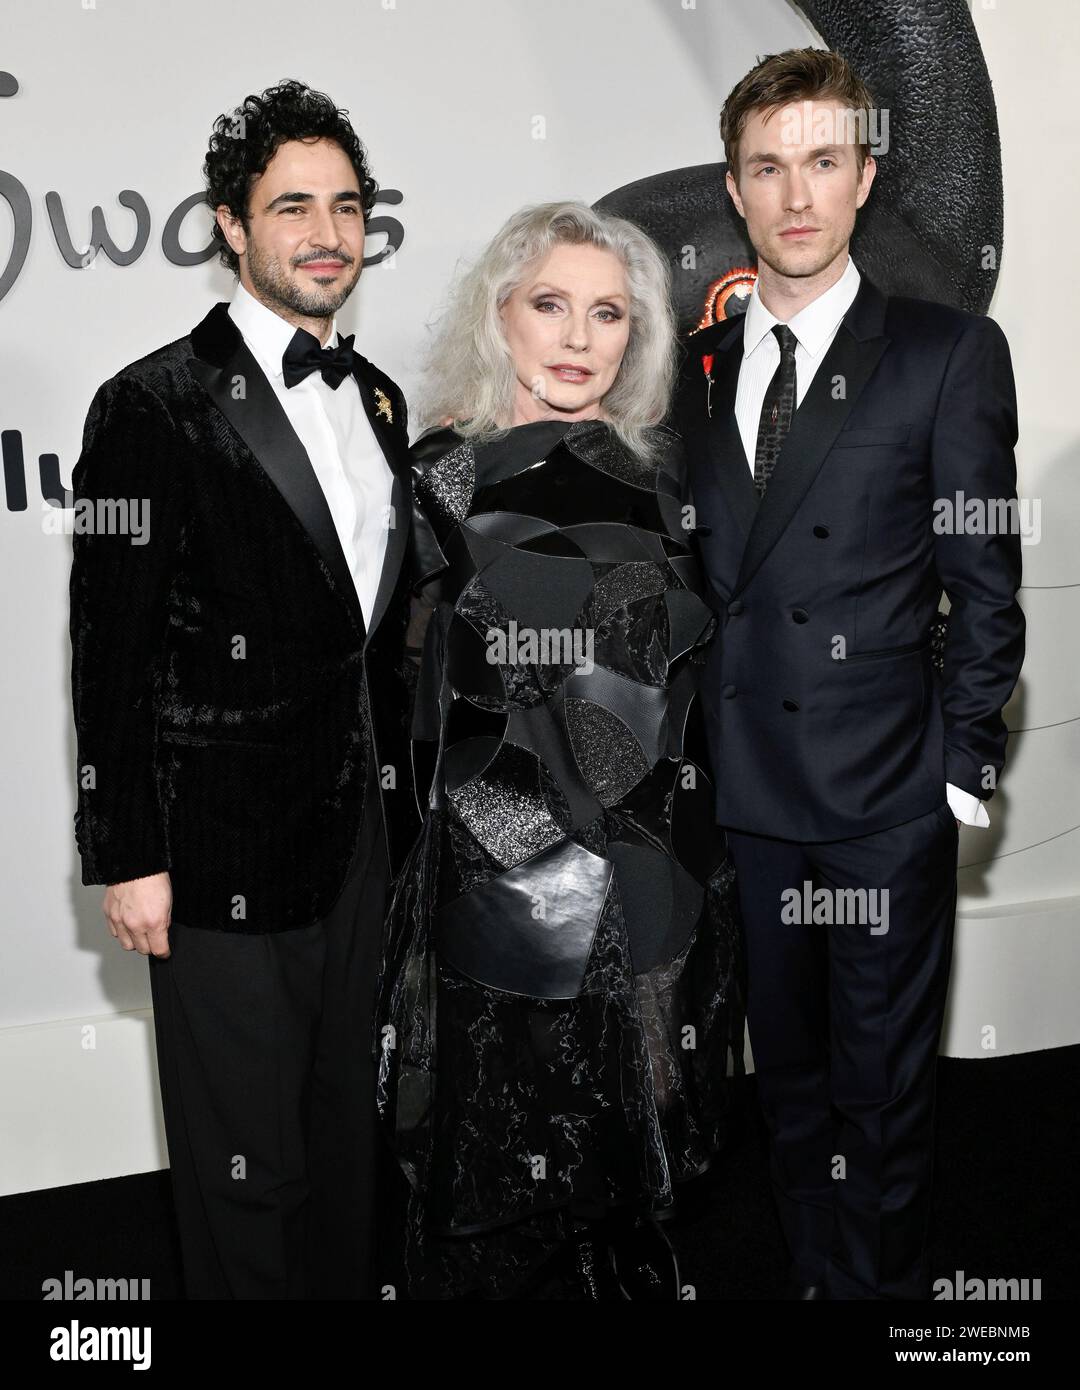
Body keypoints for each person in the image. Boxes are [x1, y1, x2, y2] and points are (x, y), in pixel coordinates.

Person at [673, 48, 1025, 1300]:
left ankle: (875, 1296)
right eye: (769, 168)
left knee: (880, 1091)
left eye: (823, 161)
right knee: (791, 1084)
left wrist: (963, 764)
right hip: (752, 802)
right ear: (735, 187)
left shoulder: (944, 351)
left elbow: (986, 577)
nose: (797, 194)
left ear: (866, 176)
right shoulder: (702, 366)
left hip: (883, 797)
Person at [68, 80, 420, 1298]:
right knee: (245, 1169)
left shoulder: (379, 400)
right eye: (292, 207)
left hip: (364, 842)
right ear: (231, 225)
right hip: (215, 851)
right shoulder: (151, 405)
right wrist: (126, 851)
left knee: (347, 1145)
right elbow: (106, 649)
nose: (326, 231)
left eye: (347, 205)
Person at [374, 201, 746, 1300]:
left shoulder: (668, 487)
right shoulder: (439, 477)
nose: (581, 338)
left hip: (660, 873)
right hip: (504, 876)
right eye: (552, 306)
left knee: (638, 1191)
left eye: (610, 314)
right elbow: (395, 698)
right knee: (502, 1191)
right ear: (502, 318)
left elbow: (696, 685)